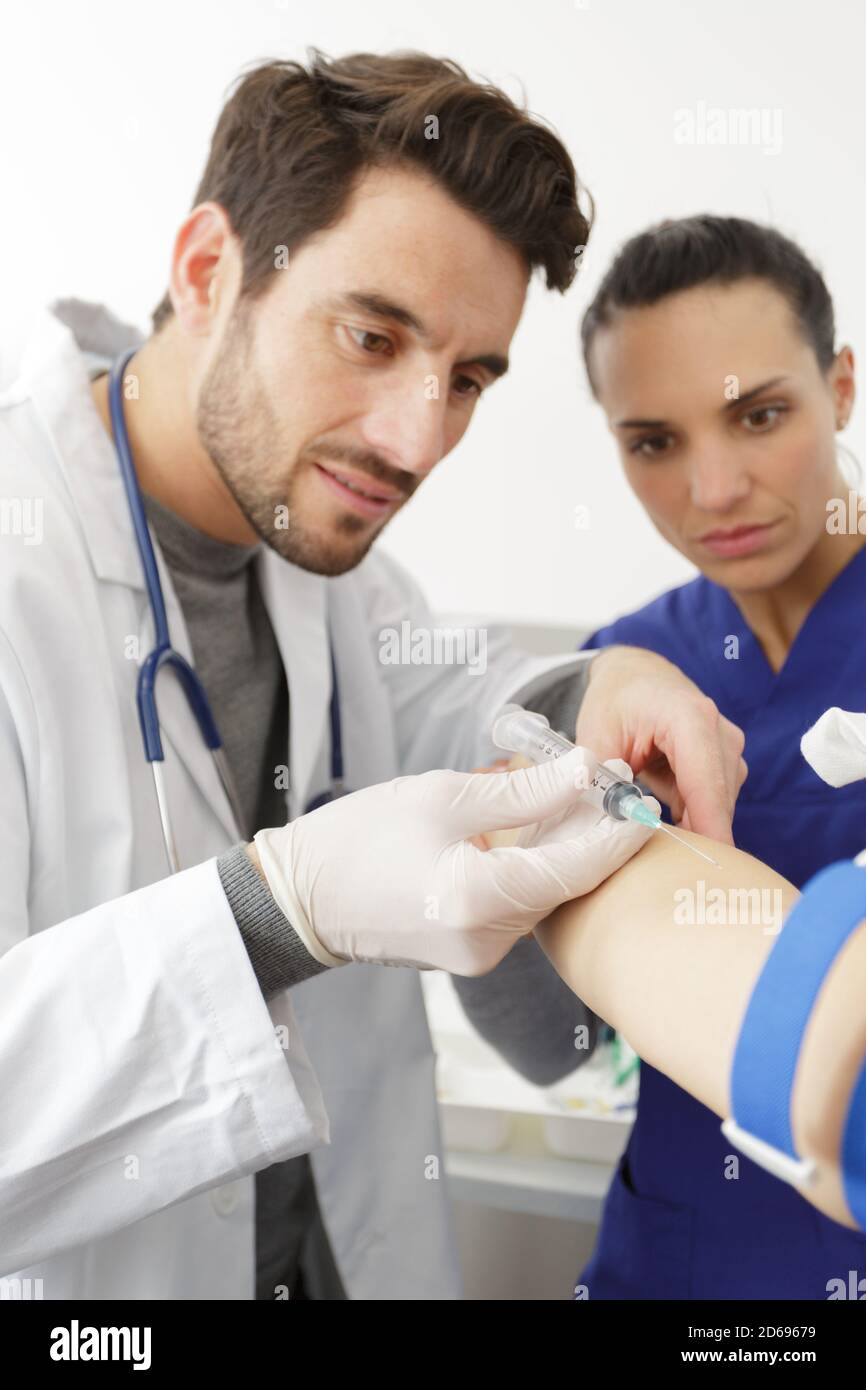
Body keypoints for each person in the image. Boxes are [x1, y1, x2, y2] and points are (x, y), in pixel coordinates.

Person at [0, 55, 745, 1300]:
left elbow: (447, 702)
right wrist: (274, 909)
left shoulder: (316, 545)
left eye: (466, 379)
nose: (418, 439)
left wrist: (590, 692)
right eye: (371, 335)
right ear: (206, 268)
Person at [569, 214, 866, 1297]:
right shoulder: (621, 673)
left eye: (757, 414)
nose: (713, 489)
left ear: (838, 385)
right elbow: (549, 1036)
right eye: (653, 440)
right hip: (683, 1254)